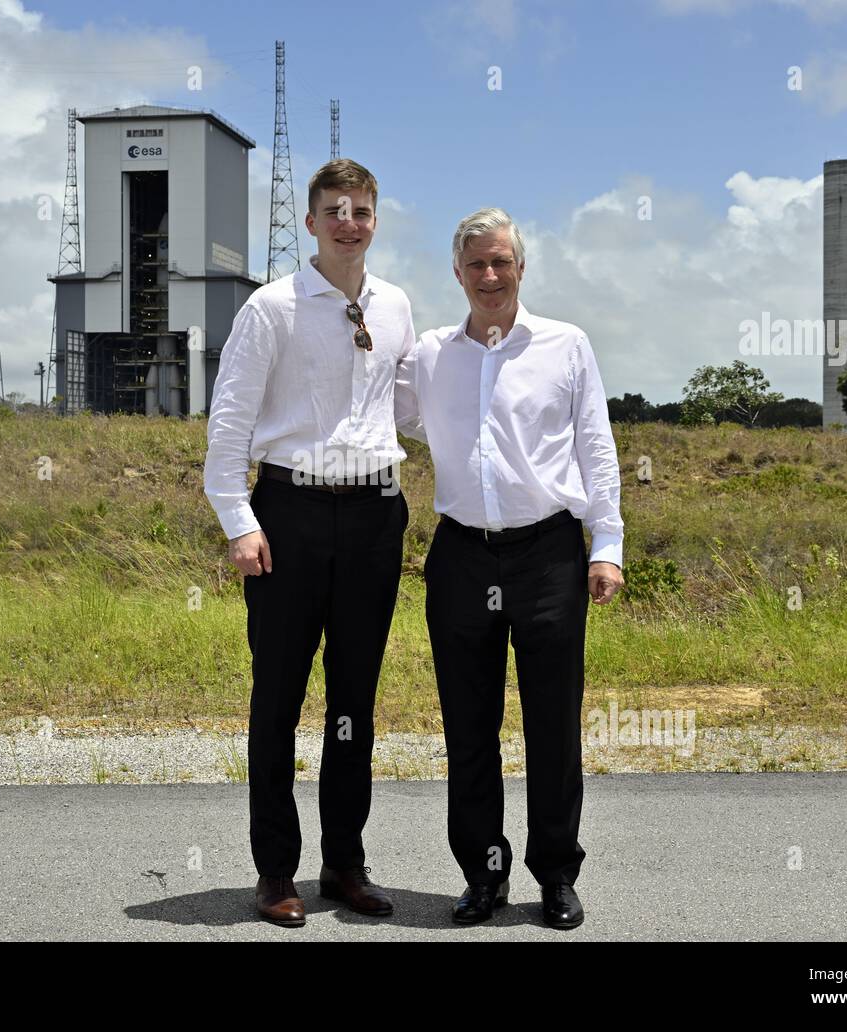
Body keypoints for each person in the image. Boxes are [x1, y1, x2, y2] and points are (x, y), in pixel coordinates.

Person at [394, 207, 625, 929]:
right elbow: (389, 413)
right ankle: (483, 875)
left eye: (501, 262)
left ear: (521, 268)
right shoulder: (430, 354)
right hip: (462, 554)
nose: (489, 276)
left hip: (549, 553)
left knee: (552, 725)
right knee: (470, 728)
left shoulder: (565, 345)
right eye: (476, 264)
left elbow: (595, 445)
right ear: (456, 273)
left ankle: (556, 874)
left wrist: (607, 544)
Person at [203, 159, 416, 927]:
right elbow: (229, 422)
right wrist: (240, 522)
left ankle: (344, 866)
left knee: (354, 701)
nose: (347, 223)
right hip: (288, 514)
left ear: (374, 220)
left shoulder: (396, 306)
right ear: (311, 222)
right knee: (278, 699)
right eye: (334, 211)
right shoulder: (273, 308)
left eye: (360, 211)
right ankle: (275, 872)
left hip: (375, 516)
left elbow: (409, 407)